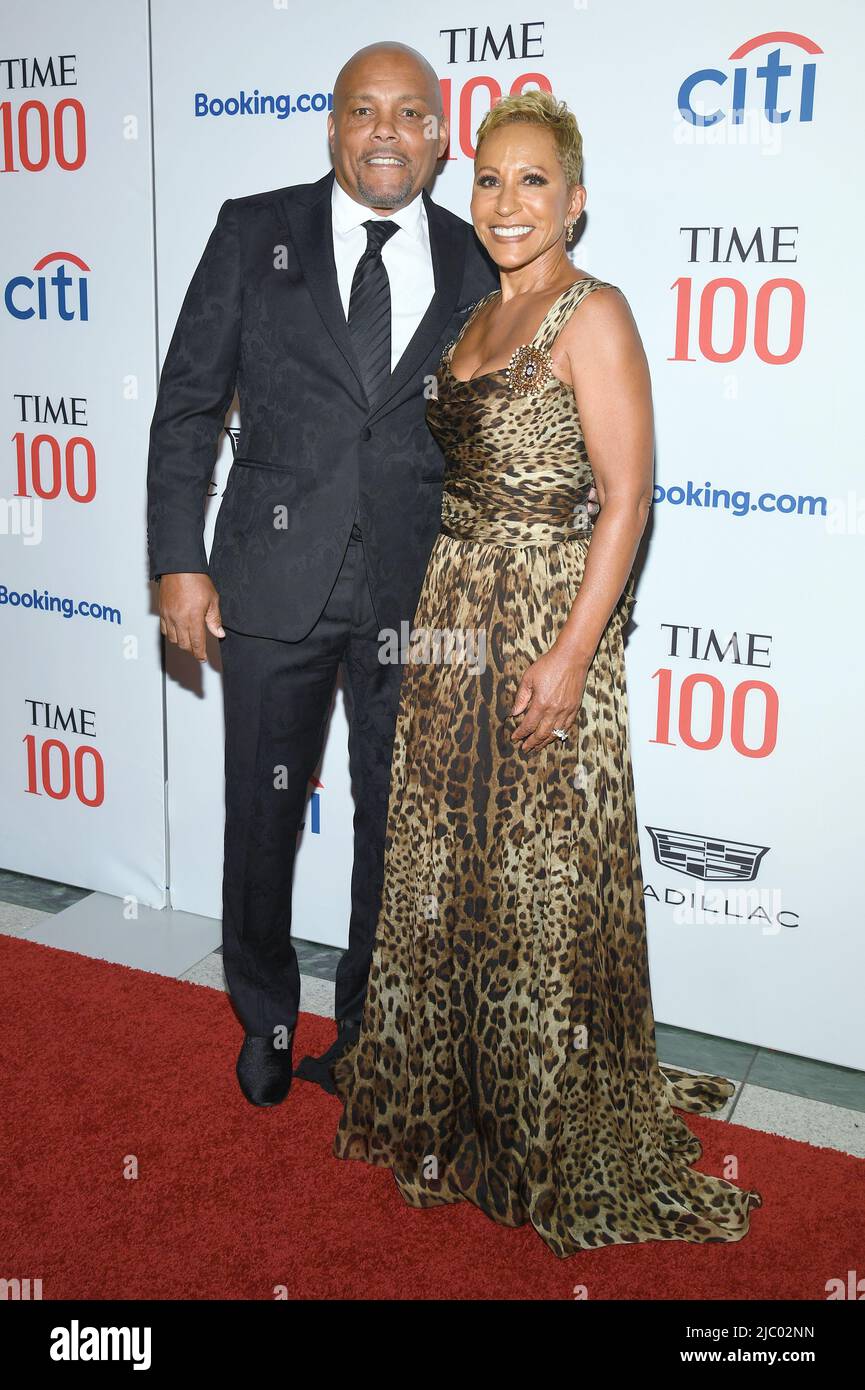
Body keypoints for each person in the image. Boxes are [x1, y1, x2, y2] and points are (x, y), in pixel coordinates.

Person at [331, 90, 763, 1257]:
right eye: (488, 179)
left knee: (534, 889)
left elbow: (626, 499)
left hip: (540, 625)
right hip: (452, 618)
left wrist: (571, 655)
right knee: (446, 869)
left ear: (575, 201)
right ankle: (450, 1104)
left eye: (532, 181)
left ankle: (543, 1124)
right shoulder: (474, 317)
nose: (506, 201)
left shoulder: (593, 313)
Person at [147, 41, 601, 1107]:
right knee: (262, 815)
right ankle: (262, 1017)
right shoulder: (252, 230)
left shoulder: (472, 254)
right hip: (268, 583)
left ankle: (367, 1030)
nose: (386, 131)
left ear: (442, 136)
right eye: (364, 111)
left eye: (409, 114)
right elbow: (186, 407)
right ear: (334, 127)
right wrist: (178, 561)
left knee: (396, 826)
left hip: (422, 594)